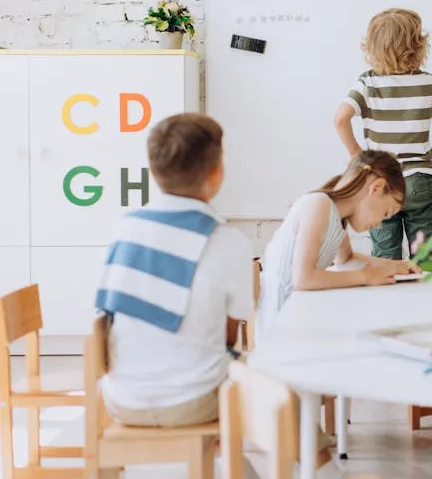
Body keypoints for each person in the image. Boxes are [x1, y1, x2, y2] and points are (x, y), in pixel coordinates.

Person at [96, 113, 253, 428]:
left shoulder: (124, 228)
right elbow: (231, 336)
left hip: (122, 400)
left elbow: (106, 314)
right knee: (276, 380)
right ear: (217, 173)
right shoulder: (228, 240)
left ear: (153, 172)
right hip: (196, 399)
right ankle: (314, 462)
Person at [256, 150, 415, 339]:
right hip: (280, 324)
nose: (381, 223)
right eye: (387, 212)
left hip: (298, 314)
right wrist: (365, 276)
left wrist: (394, 266)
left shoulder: (337, 215)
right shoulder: (319, 205)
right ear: (377, 188)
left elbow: (346, 259)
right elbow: (303, 279)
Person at [334, 8, 432, 260]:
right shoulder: (431, 83)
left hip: (380, 181)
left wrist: (358, 157)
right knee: (426, 258)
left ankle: (388, 298)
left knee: (384, 256)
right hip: (420, 180)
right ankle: (425, 299)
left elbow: (340, 119)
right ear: (418, 46)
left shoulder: (366, 84)